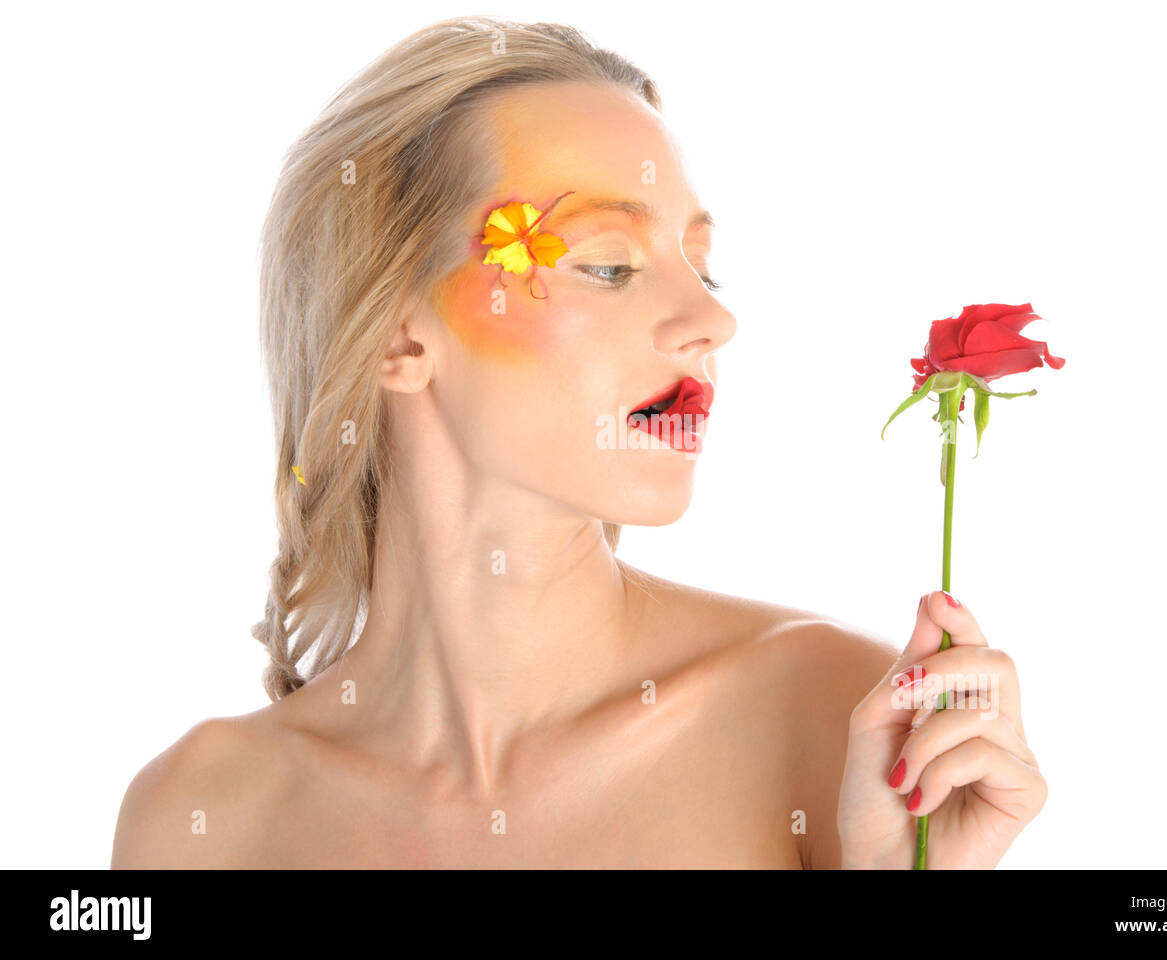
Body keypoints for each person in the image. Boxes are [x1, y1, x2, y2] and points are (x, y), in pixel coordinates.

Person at [111, 15, 1045, 869]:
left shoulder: (833, 721)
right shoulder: (199, 817)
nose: (711, 320)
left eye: (706, 267)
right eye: (609, 264)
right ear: (399, 336)